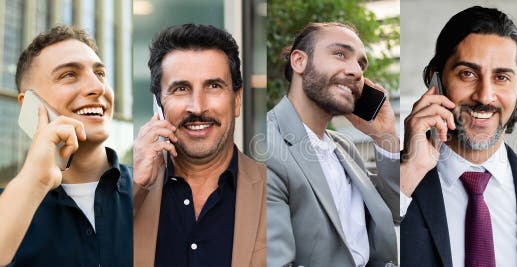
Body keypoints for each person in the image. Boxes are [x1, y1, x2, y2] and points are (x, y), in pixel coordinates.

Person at [400, 6, 517, 266]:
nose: (484, 96)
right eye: (467, 74)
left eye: (502, 77)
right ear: (434, 79)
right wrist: (409, 173)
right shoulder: (399, 184)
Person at [266, 22, 399, 267]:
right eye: (340, 54)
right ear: (299, 62)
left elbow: (395, 209)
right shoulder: (265, 148)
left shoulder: (343, 147)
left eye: (361, 64)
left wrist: (385, 137)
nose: (356, 72)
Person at [132, 24, 266, 267]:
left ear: (236, 100)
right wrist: (136, 187)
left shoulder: (274, 188)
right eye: (181, 89)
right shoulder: (130, 193)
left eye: (213, 86)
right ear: (159, 106)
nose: (197, 107)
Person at [0, 25, 132, 266]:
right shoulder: (8, 210)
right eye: (69, 74)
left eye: (100, 74)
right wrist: (35, 182)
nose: (98, 87)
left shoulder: (155, 193)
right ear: (28, 104)